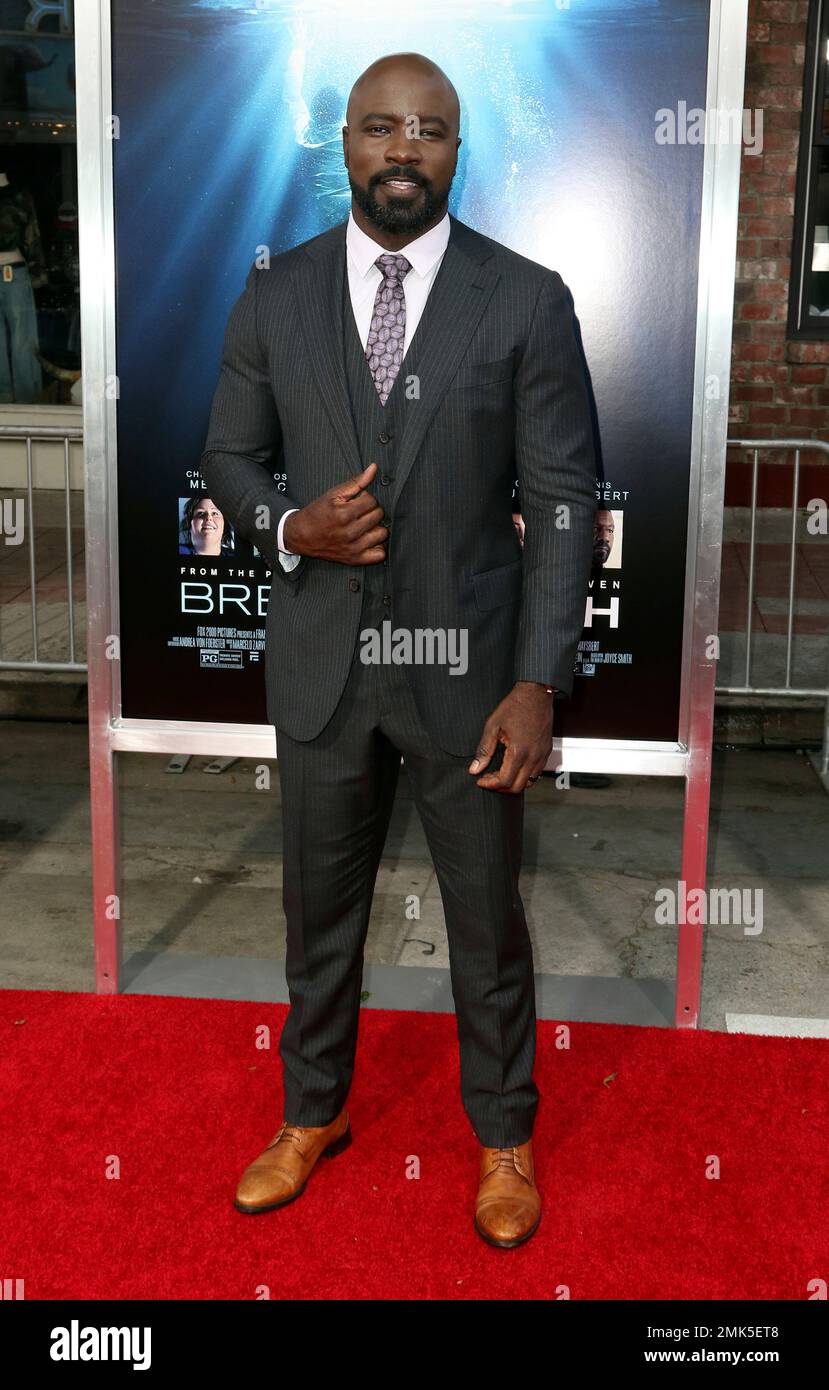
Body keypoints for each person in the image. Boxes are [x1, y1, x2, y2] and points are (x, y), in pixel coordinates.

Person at [200, 52, 597, 1249]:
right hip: (322, 668)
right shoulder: (276, 292)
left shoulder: (524, 298)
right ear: (346, 146)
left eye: (428, 129)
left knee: (485, 922)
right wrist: (291, 527)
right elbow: (228, 456)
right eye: (380, 127)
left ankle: (504, 1134)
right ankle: (310, 1111)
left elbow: (562, 502)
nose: (403, 149)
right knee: (315, 914)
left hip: (471, 680)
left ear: (456, 150)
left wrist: (536, 682)